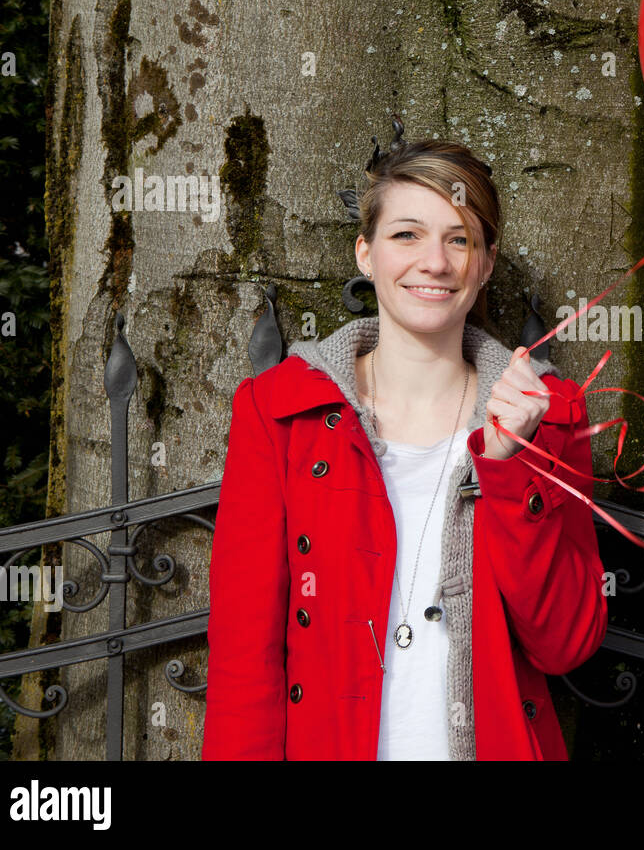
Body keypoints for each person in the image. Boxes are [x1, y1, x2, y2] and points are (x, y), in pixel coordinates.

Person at [201, 118, 607, 760]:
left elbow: (566, 643)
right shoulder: (280, 413)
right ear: (366, 253)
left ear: (486, 263)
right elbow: (243, 656)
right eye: (406, 234)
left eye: (460, 239)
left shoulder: (550, 415)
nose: (435, 262)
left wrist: (508, 471)